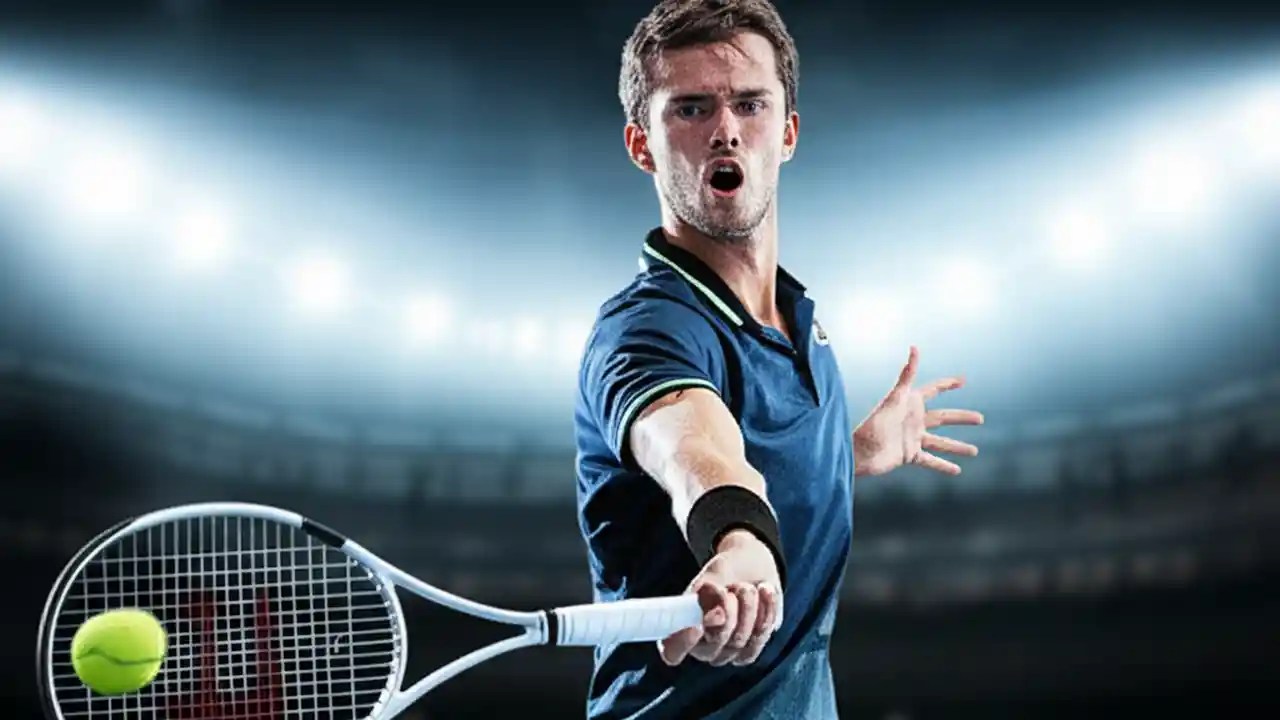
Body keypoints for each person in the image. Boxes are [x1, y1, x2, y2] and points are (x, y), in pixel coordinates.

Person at [573, 1, 985, 717]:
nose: (725, 129)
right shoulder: (646, 332)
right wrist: (739, 545)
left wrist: (845, 454)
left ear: (787, 132)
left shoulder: (802, 328)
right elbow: (692, 447)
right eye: (691, 109)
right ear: (643, 145)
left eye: (750, 105)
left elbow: (762, 456)